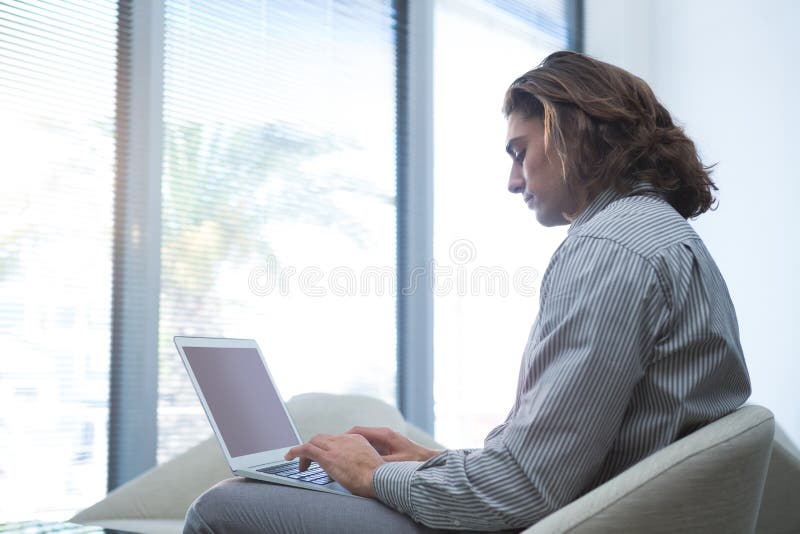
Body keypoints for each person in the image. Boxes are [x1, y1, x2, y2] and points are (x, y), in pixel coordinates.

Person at [183, 51, 751, 533]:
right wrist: (431, 462)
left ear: (572, 129)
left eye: (519, 151)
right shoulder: (662, 235)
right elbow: (564, 460)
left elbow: (526, 487)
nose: (513, 180)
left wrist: (374, 474)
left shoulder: (610, 249)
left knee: (220, 508)